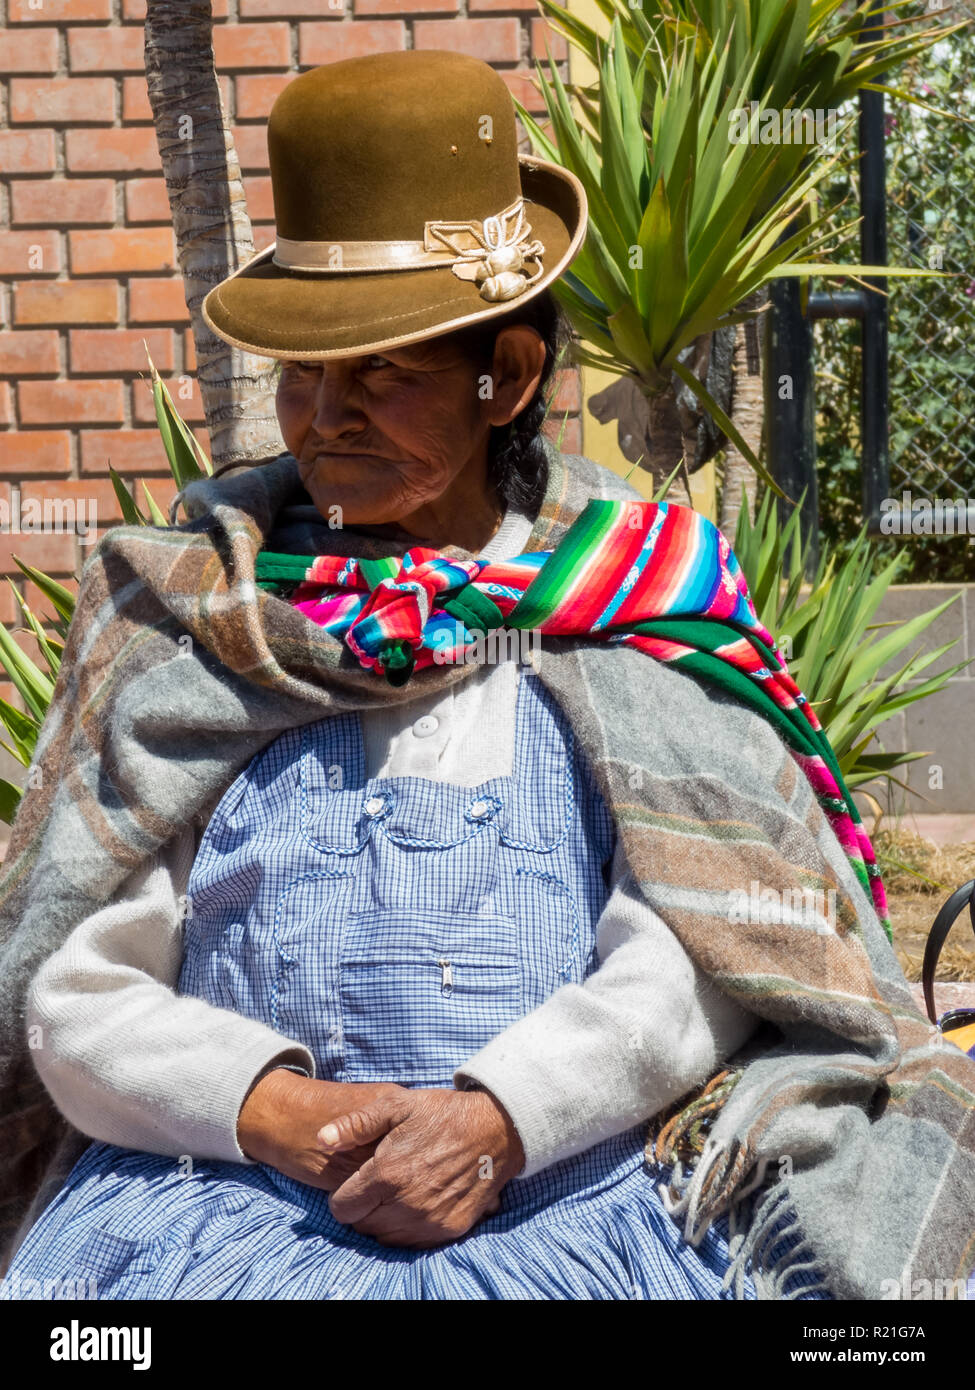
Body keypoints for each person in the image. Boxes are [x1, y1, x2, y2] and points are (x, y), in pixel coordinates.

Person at [2, 50, 972, 1302]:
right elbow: (77, 982)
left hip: (577, 1205)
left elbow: (710, 947)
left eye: (382, 374)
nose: (321, 417)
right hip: (213, 1218)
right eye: (302, 372)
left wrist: (503, 1115)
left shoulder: (635, 598)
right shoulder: (195, 612)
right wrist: (274, 1108)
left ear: (503, 378)